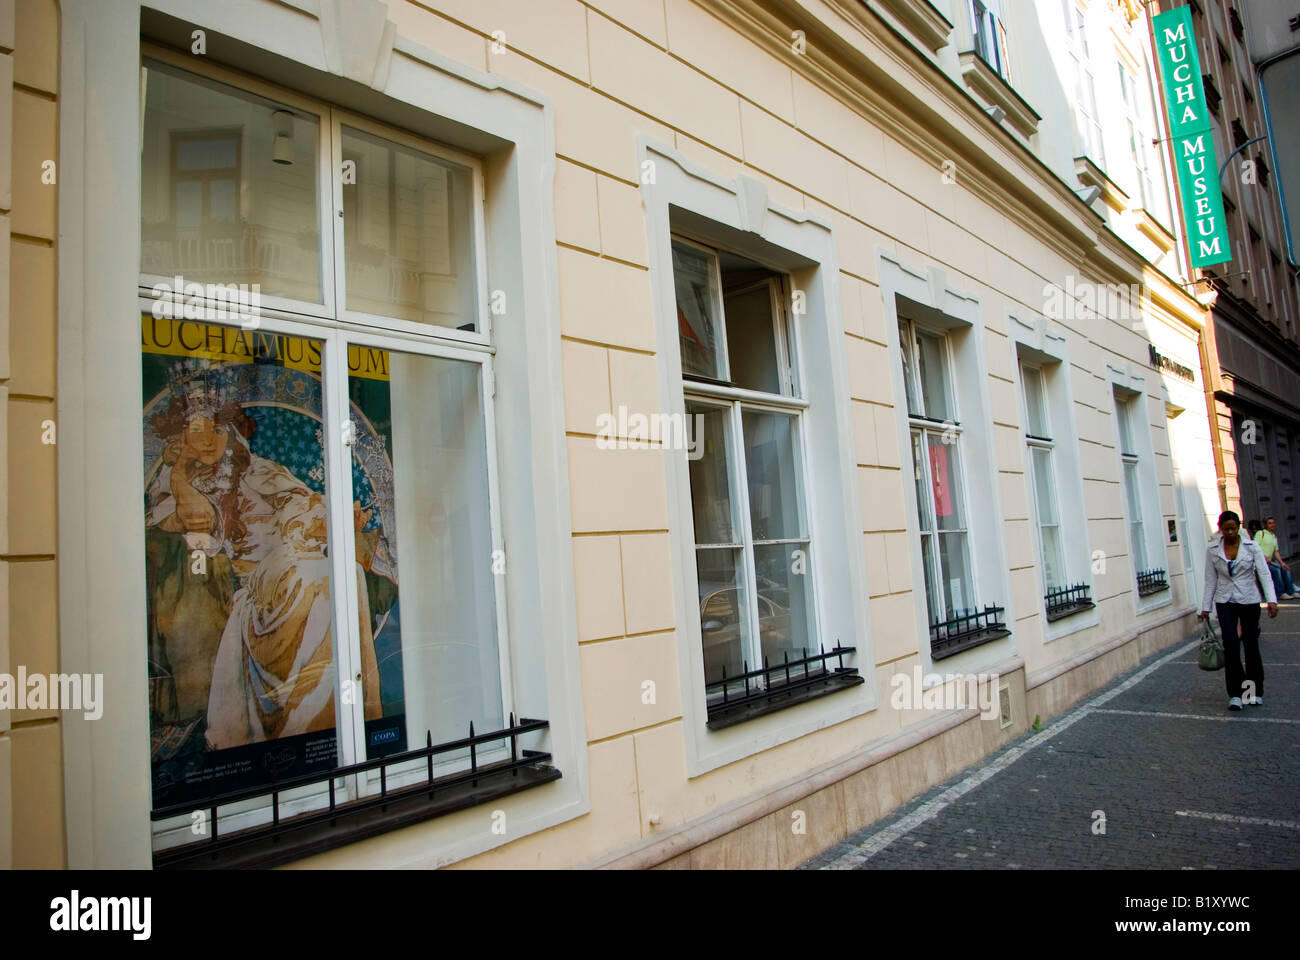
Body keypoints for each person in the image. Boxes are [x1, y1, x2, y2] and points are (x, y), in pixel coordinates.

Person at [1199, 510, 1277, 711]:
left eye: (1234, 528)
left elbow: (1264, 573)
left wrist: (1271, 601)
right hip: (1225, 600)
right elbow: (1210, 579)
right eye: (1227, 529)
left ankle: (1253, 692)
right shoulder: (1213, 549)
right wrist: (1205, 607)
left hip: (1249, 599)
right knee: (1232, 646)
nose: (1231, 532)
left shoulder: (1252, 547)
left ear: (1239, 527)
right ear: (1221, 530)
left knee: (1251, 646)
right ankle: (1235, 694)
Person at [1254, 515, 1296, 600]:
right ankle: (1281, 593)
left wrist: (1282, 562)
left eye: (1273, 523)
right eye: (1270, 523)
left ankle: (1290, 591)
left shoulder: (1273, 536)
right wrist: (1265, 558)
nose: (1272, 525)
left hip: (1270, 561)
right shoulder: (1260, 534)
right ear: (1265, 525)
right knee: (1276, 570)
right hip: (1261, 561)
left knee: (1284, 568)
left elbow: (1276, 551)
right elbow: (1255, 547)